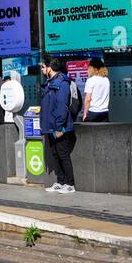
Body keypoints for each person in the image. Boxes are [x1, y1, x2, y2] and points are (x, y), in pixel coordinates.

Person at [41, 58, 77, 194]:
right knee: (55, 154)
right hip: (50, 126)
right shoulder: (50, 83)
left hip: (59, 126)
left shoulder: (61, 82)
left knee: (63, 154)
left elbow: (61, 106)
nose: (42, 69)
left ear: (50, 67)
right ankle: (61, 181)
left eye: (44, 66)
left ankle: (70, 184)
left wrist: (59, 126)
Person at [82, 57, 110, 123]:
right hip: (105, 113)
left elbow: (88, 99)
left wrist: (85, 114)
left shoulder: (90, 80)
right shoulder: (106, 80)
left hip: (93, 113)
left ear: (91, 68)